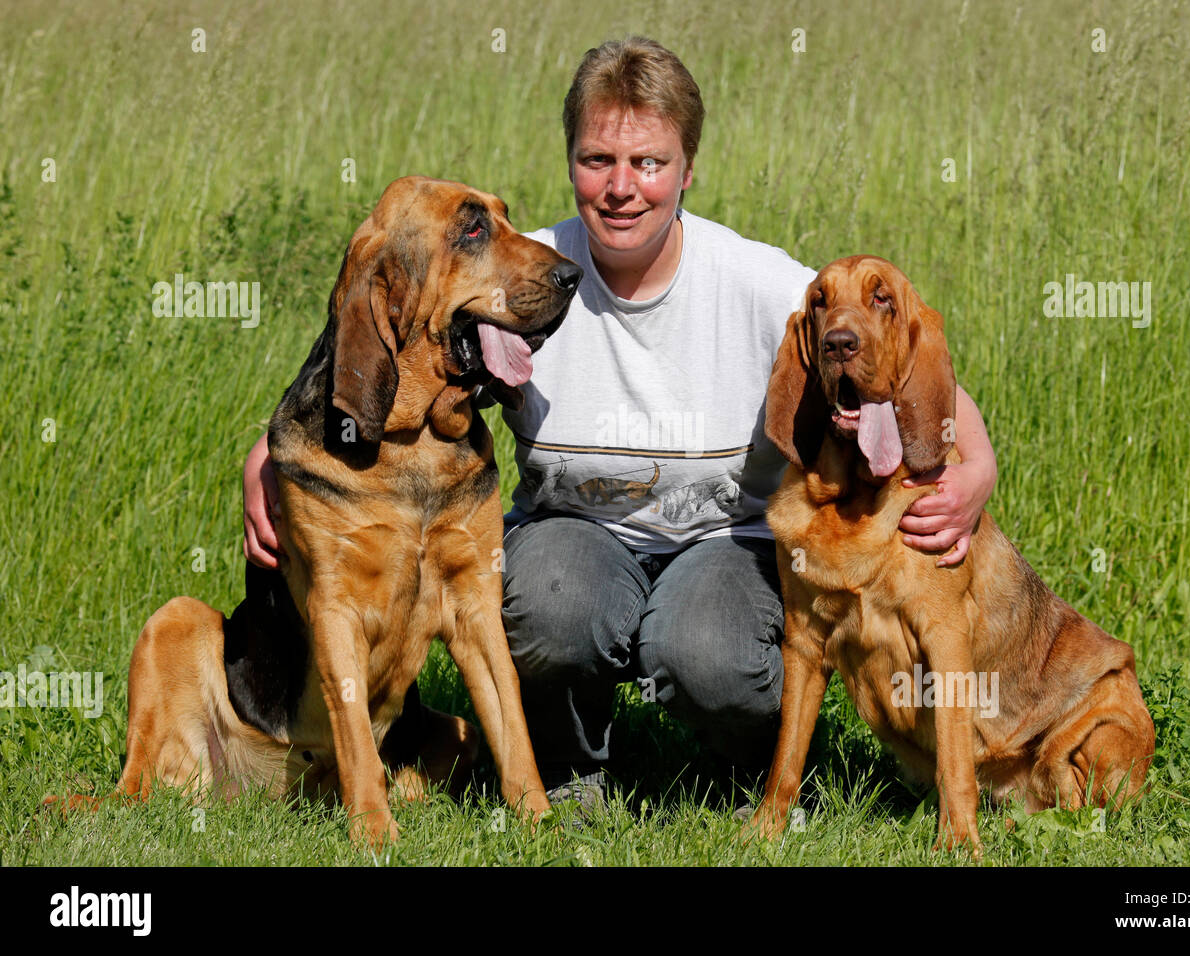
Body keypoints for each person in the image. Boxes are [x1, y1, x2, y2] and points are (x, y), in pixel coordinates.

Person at [242, 37, 997, 810]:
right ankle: (572, 770)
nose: (621, 188)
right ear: (570, 162)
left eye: (649, 163)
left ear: (687, 171)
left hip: (723, 548)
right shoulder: (526, 277)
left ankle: (744, 777)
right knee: (549, 601)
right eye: (598, 159)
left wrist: (975, 470)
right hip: (574, 542)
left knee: (707, 649)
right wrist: (268, 460)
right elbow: (385, 348)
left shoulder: (757, 283)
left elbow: (902, 360)